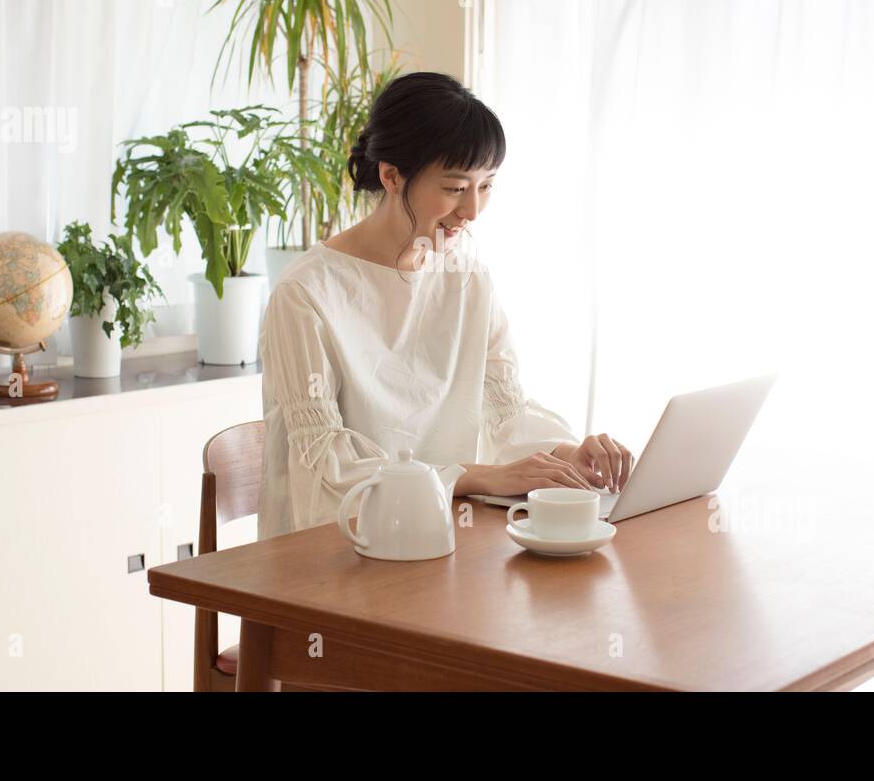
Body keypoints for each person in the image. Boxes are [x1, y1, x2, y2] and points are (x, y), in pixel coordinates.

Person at [256, 71, 634, 541]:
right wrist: (472, 476)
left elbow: (504, 410)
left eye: (487, 186)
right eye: (455, 188)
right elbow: (327, 471)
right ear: (391, 175)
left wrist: (565, 455)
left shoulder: (467, 280)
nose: (472, 211)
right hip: (337, 555)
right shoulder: (306, 294)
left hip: (445, 541)